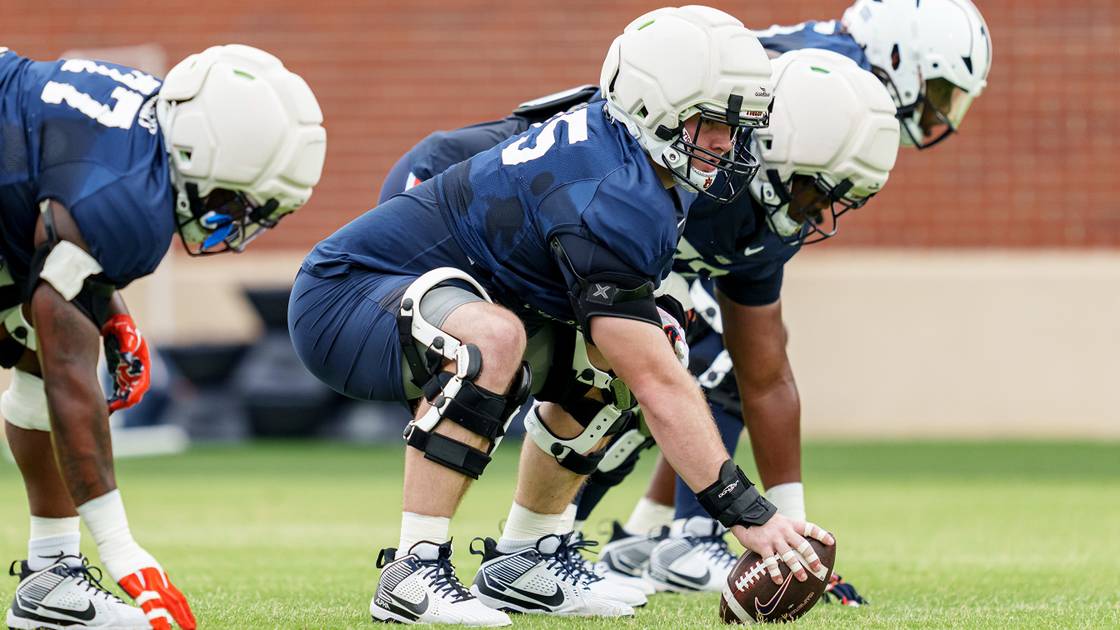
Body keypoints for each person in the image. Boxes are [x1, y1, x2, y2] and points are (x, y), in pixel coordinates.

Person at [291, 5, 833, 626]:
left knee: (633, 353)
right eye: (711, 122)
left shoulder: (634, 159)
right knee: (501, 340)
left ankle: (528, 555)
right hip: (345, 296)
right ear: (655, 107)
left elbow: (643, 364)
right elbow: (661, 387)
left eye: (736, 126)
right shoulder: (613, 189)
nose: (725, 143)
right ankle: (413, 568)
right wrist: (746, 510)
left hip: (459, 296)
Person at [591, 0, 992, 602]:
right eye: (937, 88)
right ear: (899, 59)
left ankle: (651, 533)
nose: (940, 112)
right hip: (638, 210)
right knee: (692, 365)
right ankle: (660, 535)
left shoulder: (832, 74)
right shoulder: (819, 75)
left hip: (687, 222)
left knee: (727, 363)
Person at [1, 44, 326, 629]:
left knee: (27, 338)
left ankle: (52, 579)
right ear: (200, 154)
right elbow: (69, 373)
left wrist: (110, 311)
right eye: (236, 204)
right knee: (46, 345)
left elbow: (65, 200)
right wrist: (123, 549)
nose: (239, 227)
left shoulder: (153, 120)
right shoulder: (132, 202)